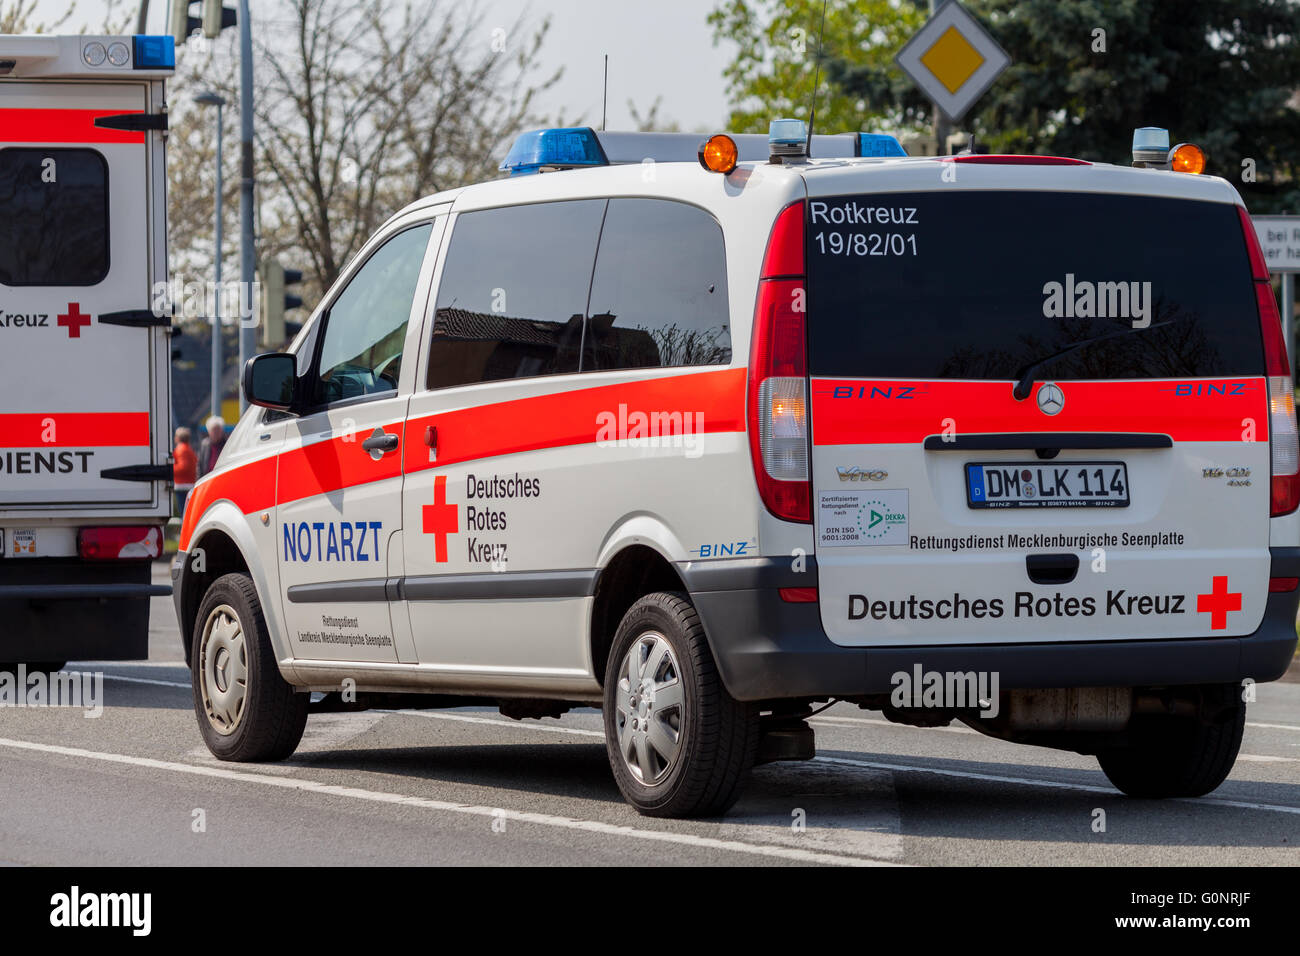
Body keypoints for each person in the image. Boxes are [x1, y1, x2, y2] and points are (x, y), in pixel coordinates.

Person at [173, 427, 197, 517]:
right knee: (187, 512)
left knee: (183, 513)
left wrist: (169, 469)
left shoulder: (181, 449)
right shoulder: (188, 448)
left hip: (182, 486)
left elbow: (183, 467)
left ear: (178, 438)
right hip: (189, 484)